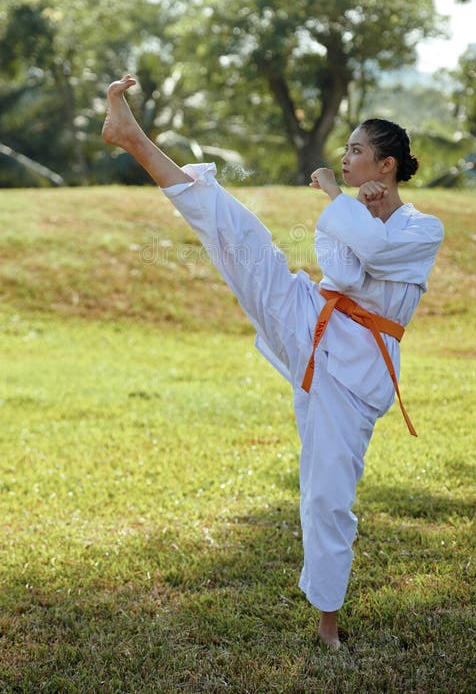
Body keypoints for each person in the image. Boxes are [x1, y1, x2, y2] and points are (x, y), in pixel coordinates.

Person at [102, 74, 444, 649]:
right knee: (238, 235)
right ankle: (133, 138)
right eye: (348, 150)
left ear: (386, 165)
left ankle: (328, 624)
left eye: (357, 150)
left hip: (353, 371)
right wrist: (350, 213)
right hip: (311, 315)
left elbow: (374, 256)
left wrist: (341, 202)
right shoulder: (358, 212)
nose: (346, 158)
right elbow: (342, 269)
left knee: (326, 495)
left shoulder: (423, 228)